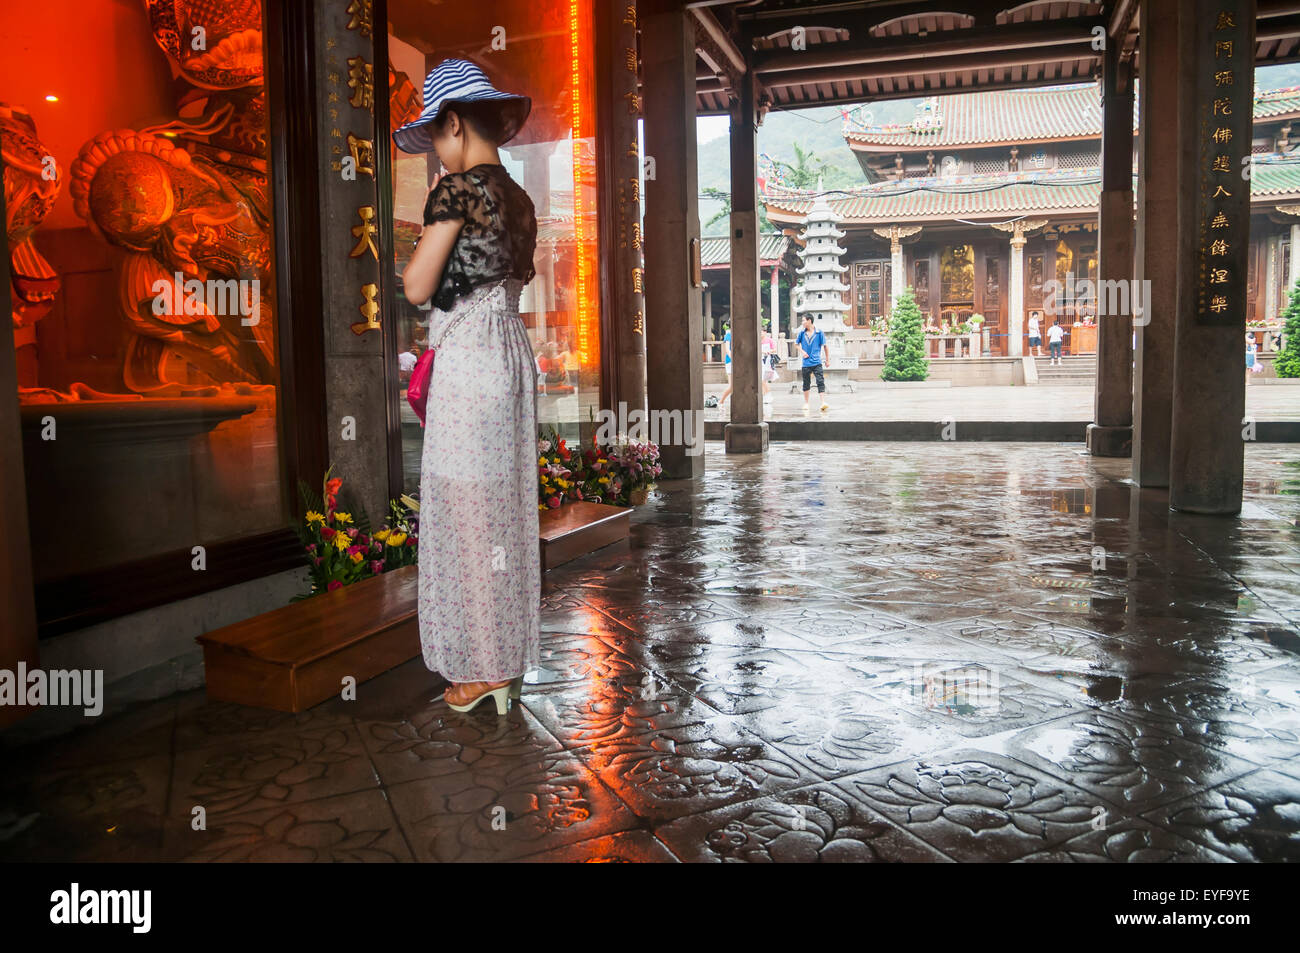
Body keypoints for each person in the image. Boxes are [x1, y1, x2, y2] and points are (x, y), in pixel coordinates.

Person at [394, 59, 538, 715]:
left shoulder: (456, 190)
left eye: (436, 139)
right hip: (510, 352)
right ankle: (503, 655)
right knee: (503, 511)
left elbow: (418, 286)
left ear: (452, 124)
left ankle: (482, 667)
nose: (436, 155)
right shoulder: (520, 197)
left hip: (470, 361)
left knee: (469, 516)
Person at [796, 315, 829, 415]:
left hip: (817, 362)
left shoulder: (819, 333)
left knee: (820, 381)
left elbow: (825, 347)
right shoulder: (801, 333)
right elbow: (796, 344)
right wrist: (802, 352)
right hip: (806, 363)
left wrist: (827, 360)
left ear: (809, 321)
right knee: (806, 383)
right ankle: (806, 403)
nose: (802, 322)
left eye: (803, 320)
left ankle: (823, 402)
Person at [718, 322, 733, 407]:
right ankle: (721, 401)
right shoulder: (728, 335)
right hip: (730, 362)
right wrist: (733, 359)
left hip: (736, 361)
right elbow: (727, 349)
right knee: (732, 386)